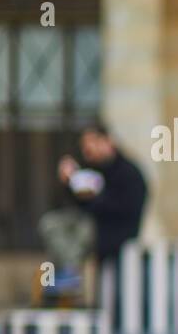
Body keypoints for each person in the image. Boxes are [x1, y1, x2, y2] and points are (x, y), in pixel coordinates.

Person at [41, 122, 148, 295]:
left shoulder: (129, 173)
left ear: (107, 142)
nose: (87, 153)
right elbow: (74, 204)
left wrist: (94, 198)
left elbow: (123, 209)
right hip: (91, 226)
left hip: (115, 233)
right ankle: (66, 275)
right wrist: (70, 183)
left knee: (82, 231)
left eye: (91, 147)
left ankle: (69, 276)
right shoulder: (91, 169)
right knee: (52, 224)